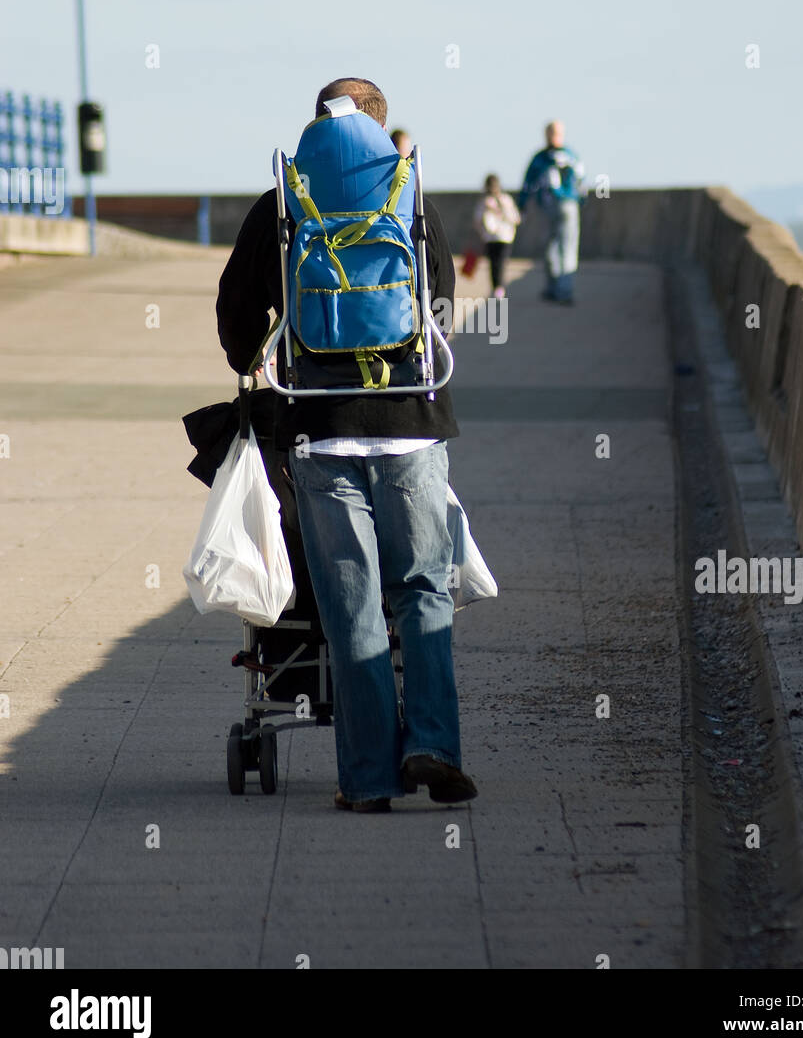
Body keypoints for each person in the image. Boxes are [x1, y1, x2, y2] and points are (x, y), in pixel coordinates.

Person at [216, 77, 477, 813]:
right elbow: (443, 306)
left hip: (319, 431)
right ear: (381, 128)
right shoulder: (407, 195)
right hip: (411, 429)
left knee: (352, 605)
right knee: (424, 589)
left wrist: (248, 362)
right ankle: (433, 745)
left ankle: (367, 780)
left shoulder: (284, 202)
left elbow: (238, 308)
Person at [518, 120, 585, 305]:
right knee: (568, 246)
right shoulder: (572, 156)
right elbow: (582, 181)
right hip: (570, 205)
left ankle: (555, 288)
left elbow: (528, 183)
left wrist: (522, 204)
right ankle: (565, 289)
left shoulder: (540, 158)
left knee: (552, 245)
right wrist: (580, 201)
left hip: (549, 205)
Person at [473, 174, 521, 298]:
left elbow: (478, 221)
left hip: (499, 237)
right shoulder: (496, 200)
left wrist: (498, 210)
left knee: (497, 263)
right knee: (497, 263)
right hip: (498, 237)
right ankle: (497, 288)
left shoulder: (498, 200)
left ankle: (498, 288)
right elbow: (516, 218)